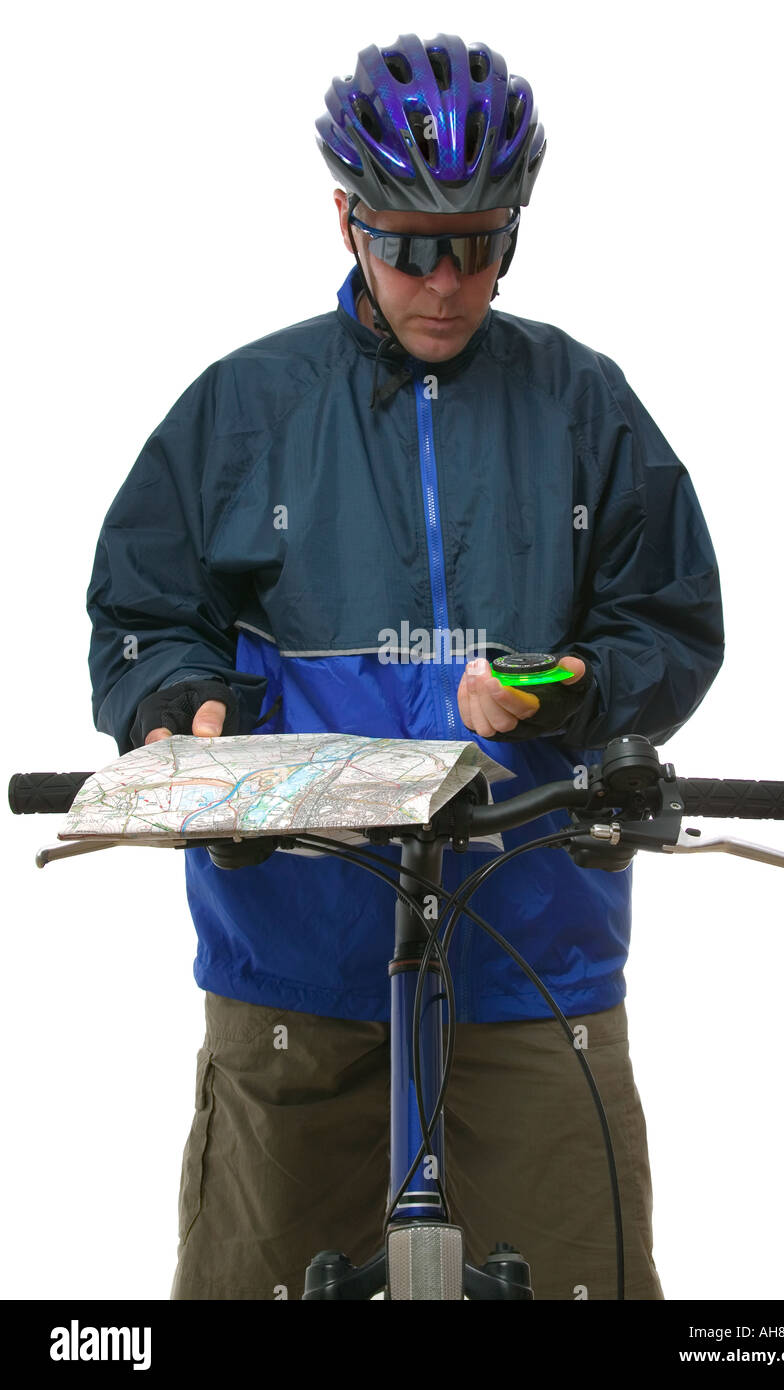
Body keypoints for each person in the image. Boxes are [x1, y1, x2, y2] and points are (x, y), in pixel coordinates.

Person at [86, 33, 724, 1300]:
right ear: (345, 222)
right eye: (409, 245)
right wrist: (174, 701)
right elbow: (147, 611)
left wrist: (577, 689)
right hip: (295, 955)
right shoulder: (244, 410)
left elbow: (672, 619)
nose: (444, 280)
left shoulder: (585, 407)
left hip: (535, 949)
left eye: (479, 243)